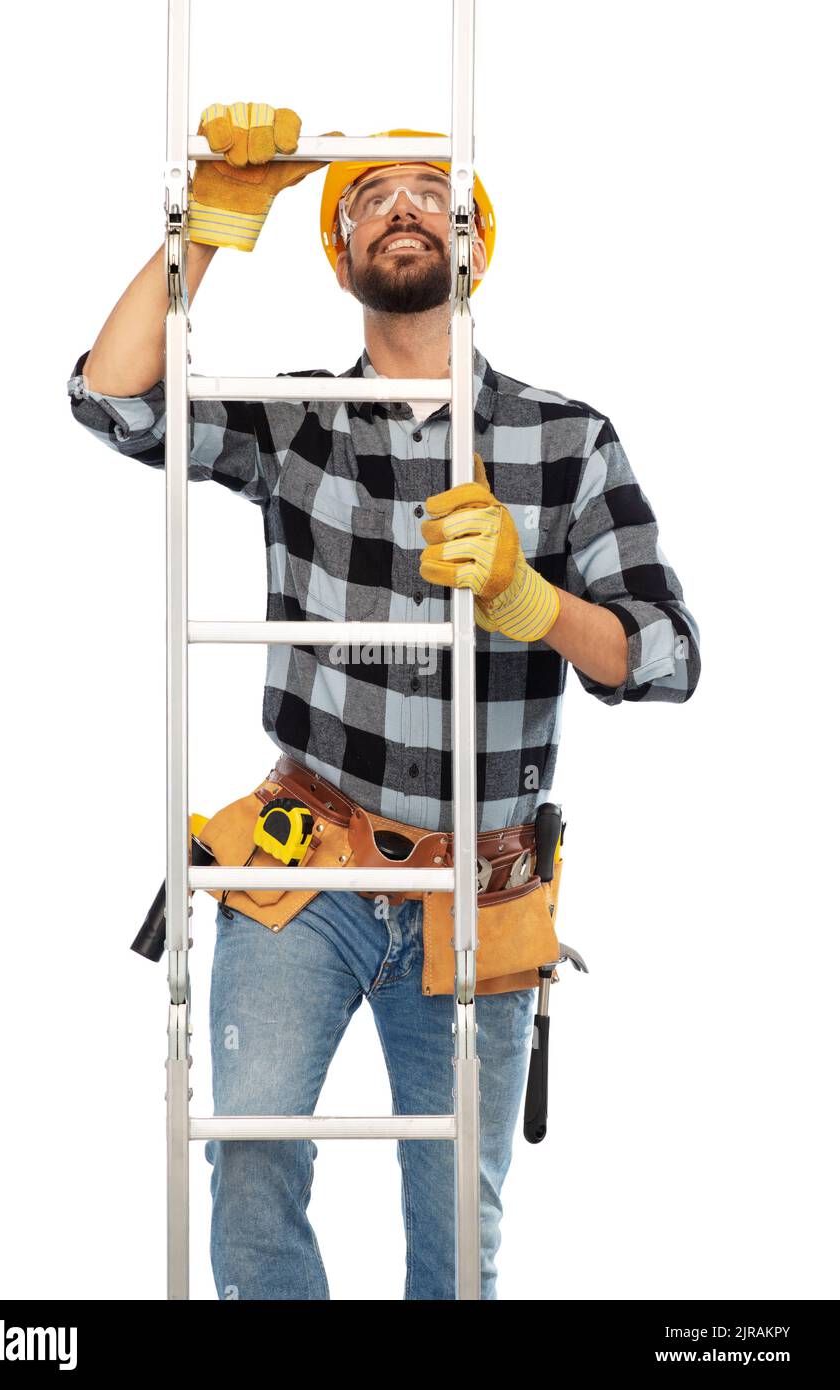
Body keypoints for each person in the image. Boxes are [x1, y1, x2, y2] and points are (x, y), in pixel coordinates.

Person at [67, 102, 701, 1300]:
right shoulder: (301, 418)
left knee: (455, 1234)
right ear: (339, 250)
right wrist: (205, 225)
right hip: (312, 864)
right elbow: (114, 398)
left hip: (479, 885)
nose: (402, 208)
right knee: (245, 1155)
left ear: (475, 243)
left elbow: (664, 654)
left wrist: (531, 598)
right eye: (370, 195)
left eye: (429, 191)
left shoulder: (566, 441)